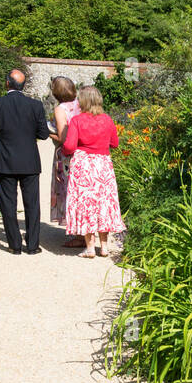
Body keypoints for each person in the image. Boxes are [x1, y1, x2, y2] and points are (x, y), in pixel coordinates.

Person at [0, 68, 49, 254]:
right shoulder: (35, 105)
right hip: (29, 162)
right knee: (32, 204)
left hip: (4, 162)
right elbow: (43, 134)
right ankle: (33, 245)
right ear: (23, 85)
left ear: (7, 83)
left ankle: (14, 245)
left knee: (8, 204)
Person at [60, 84, 126, 258]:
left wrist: (65, 150)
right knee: (103, 203)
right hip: (103, 164)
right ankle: (104, 247)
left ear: (83, 101)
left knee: (85, 204)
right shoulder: (107, 119)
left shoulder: (77, 120)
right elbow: (115, 143)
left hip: (83, 164)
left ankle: (90, 248)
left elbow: (69, 146)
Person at [46, 76, 82, 245]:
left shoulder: (61, 109)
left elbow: (63, 137)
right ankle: (83, 232)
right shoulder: (81, 104)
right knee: (80, 192)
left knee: (68, 190)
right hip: (82, 152)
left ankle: (79, 236)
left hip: (67, 156)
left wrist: (47, 132)